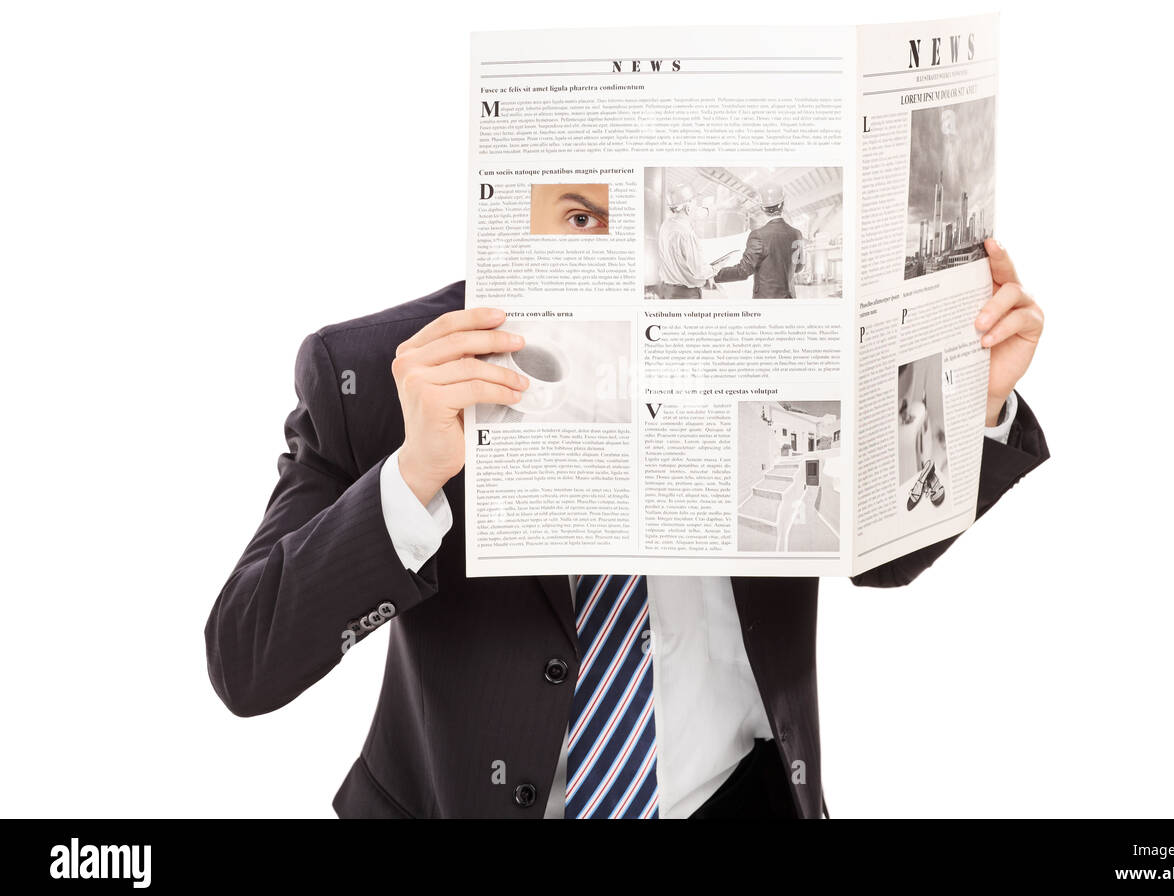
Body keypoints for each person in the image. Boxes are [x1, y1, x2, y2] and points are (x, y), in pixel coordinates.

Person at [204, 239, 1047, 818]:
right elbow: (246, 660)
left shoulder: (784, 334)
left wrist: (977, 409)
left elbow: (880, 560)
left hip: (738, 795)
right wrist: (412, 475)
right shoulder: (385, 370)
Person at [712, 183, 804, 299]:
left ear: (762, 208)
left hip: (766, 300)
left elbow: (743, 270)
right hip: (790, 298)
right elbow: (799, 267)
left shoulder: (758, 235)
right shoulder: (797, 234)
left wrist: (714, 274)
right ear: (783, 204)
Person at [655, 183, 713, 299]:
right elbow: (699, 271)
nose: (698, 208)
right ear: (688, 208)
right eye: (695, 204)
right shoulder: (686, 232)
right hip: (685, 295)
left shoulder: (665, 226)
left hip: (666, 291)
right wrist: (712, 270)